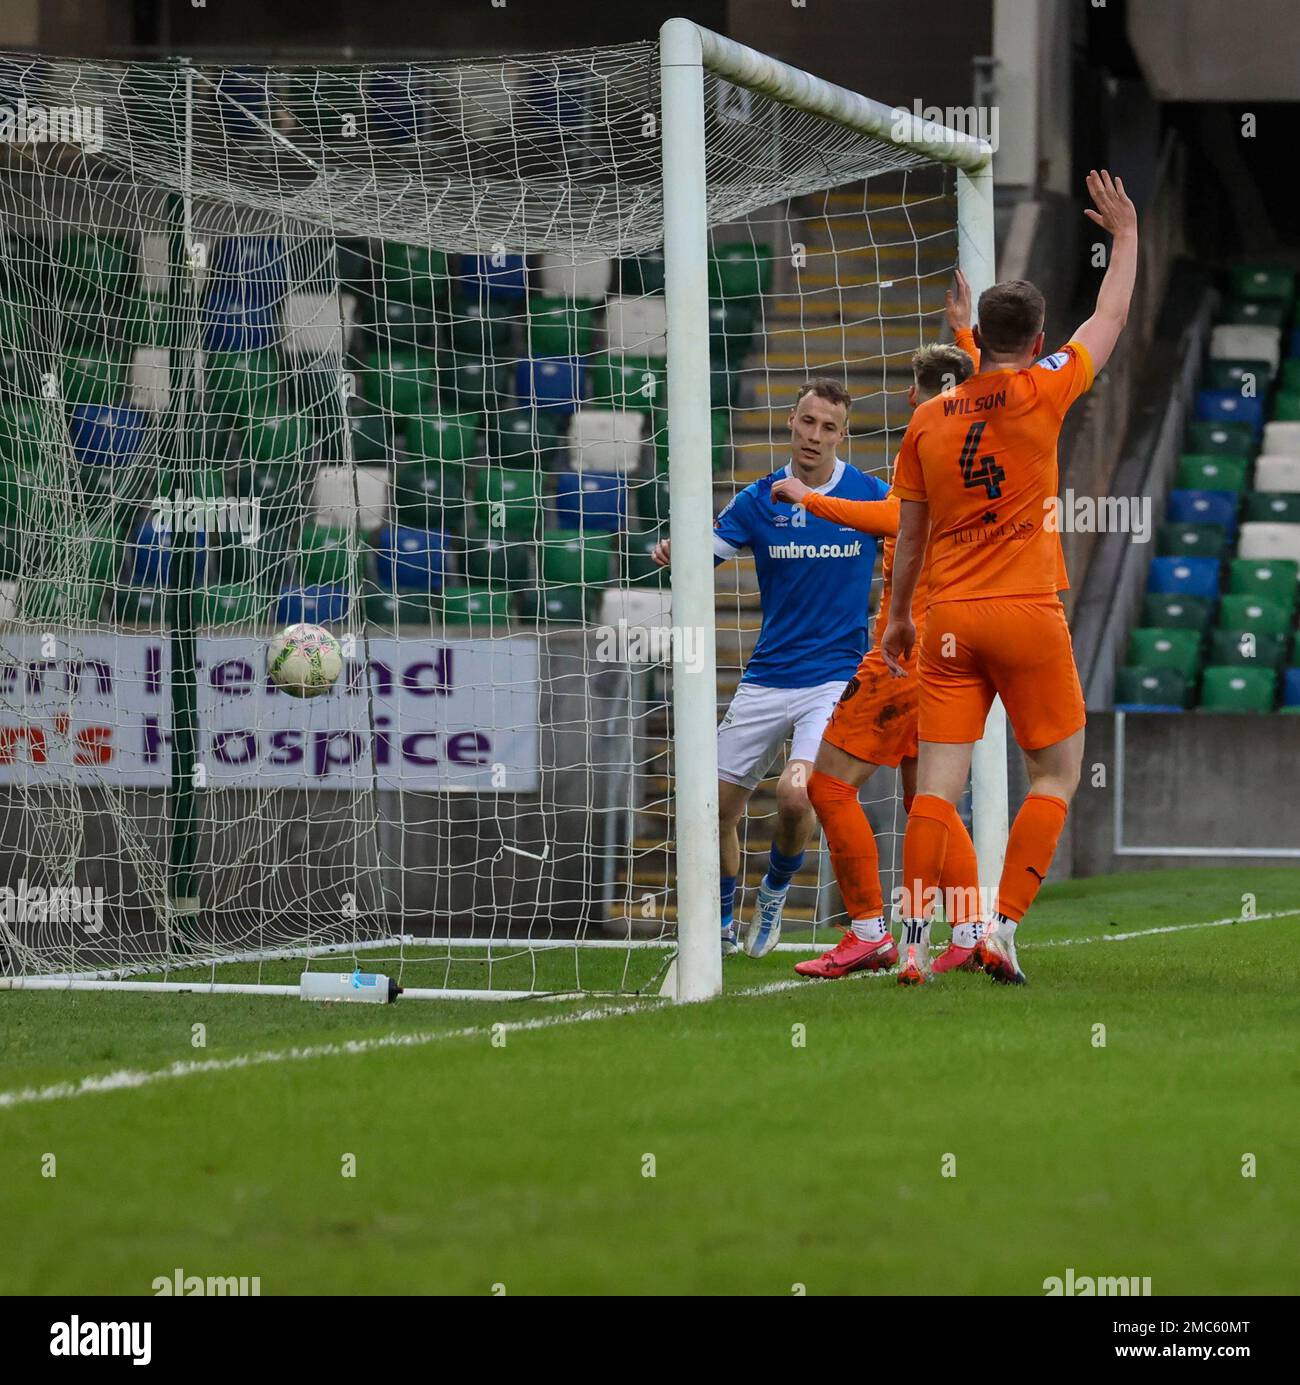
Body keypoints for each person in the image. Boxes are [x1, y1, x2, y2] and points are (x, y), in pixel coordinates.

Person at [881, 169, 1139, 985]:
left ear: (979, 335)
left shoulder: (928, 417)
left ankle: (914, 943)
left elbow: (910, 533)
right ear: (1038, 341)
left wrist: (897, 618)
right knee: (1056, 773)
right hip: (1026, 611)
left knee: (936, 790)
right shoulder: (1045, 386)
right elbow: (1111, 316)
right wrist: (1125, 236)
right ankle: (998, 928)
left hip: (948, 618)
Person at [772, 272, 986, 980]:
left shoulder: (928, 441)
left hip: (910, 650)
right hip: (953, 644)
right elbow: (976, 384)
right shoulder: (980, 435)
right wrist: (964, 335)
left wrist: (810, 498)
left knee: (827, 784)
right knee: (928, 797)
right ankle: (973, 929)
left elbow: (896, 517)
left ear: (910, 399)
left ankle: (868, 930)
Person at [653, 379, 889, 956]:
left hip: (834, 677)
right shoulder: (757, 500)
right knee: (713, 811)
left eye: (828, 427)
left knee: (794, 795)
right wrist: (674, 552)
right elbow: (704, 556)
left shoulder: (868, 495)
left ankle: (777, 891)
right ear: (791, 421)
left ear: (843, 434)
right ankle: (725, 921)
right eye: (807, 422)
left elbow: (911, 545)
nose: (814, 436)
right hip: (766, 676)